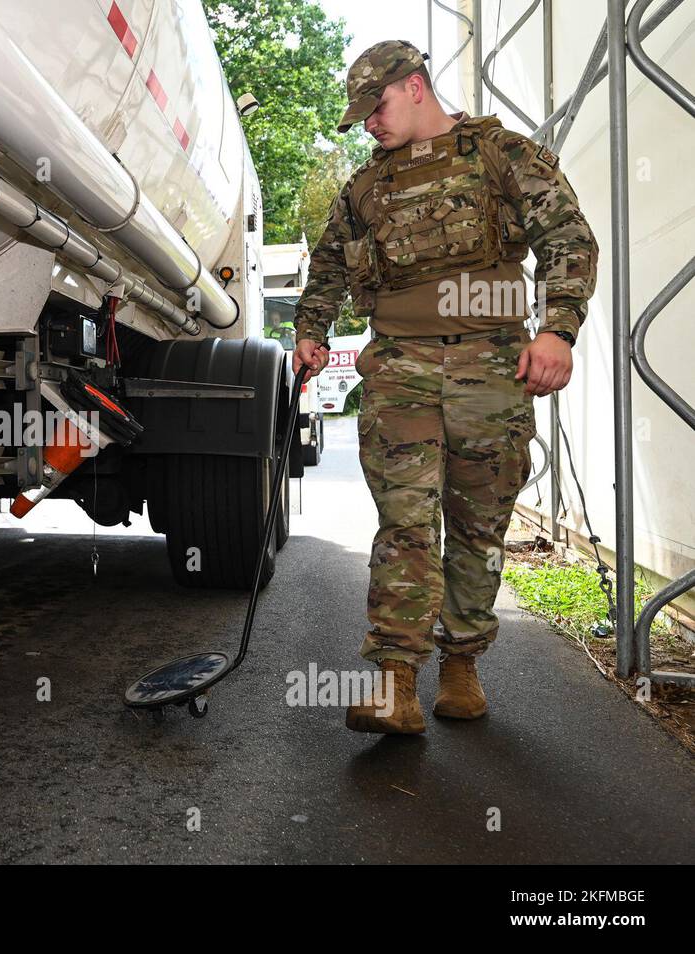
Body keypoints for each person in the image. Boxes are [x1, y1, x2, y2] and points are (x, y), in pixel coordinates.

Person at [293, 40, 598, 734]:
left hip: (492, 365)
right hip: (399, 365)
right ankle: (394, 679)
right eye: (362, 115)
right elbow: (329, 267)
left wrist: (558, 329)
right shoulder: (365, 188)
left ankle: (461, 663)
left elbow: (568, 239)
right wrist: (311, 329)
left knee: (478, 522)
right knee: (405, 521)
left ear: (416, 86)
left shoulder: (502, 154)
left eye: (378, 107)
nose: (369, 123)